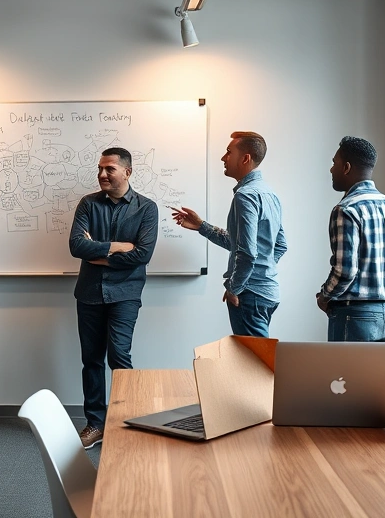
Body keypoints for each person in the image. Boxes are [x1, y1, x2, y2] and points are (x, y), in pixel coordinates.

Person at [68, 147, 158, 449]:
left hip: (126, 295)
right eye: (100, 169)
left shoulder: (147, 208)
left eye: (110, 169)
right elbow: (77, 246)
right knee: (91, 360)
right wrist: (118, 246)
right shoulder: (88, 204)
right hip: (89, 294)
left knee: (119, 356)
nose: (102, 174)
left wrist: (99, 254)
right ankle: (95, 424)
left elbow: (142, 255)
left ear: (127, 172)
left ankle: (124, 422)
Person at [171, 131, 286, 337]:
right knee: (258, 355)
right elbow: (279, 245)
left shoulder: (246, 196)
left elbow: (247, 252)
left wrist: (234, 288)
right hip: (267, 293)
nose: (223, 158)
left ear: (245, 158)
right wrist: (201, 226)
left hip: (249, 295)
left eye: (228, 152)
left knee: (253, 357)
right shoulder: (269, 194)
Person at [316, 136, 385, 342]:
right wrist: (382, 289)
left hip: (354, 316)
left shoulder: (346, 209)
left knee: (345, 366)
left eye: (334, 163)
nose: (331, 169)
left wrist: (324, 296)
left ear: (346, 167)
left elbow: (345, 271)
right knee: (384, 367)